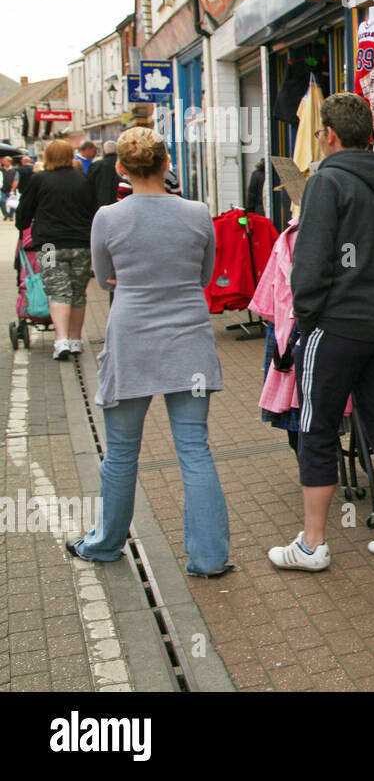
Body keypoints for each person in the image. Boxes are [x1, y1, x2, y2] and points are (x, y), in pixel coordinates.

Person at [268, 92, 374, 570]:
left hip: (335, 327)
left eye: (320, 132)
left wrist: (309, 315)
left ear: (331, 135)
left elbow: (310, 260)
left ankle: (312, 544)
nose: (319, 139)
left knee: (316, 427)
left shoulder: (326, 183)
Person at [66, 127, 232, 578]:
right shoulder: (198, 213)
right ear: (165, 164)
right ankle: (210, 557)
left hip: (131, 339)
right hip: (189, 340)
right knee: (194, 449)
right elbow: (204, 274)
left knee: (120, 452)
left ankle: (104, 544)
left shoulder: (108, 217)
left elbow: (103, 278)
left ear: (121, 168)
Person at [15, 139, 96, 360]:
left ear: (48, 156)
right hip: (81, 244)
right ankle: (76, 340)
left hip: (49, 244)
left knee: (56, 289)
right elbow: (94, 211)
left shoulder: (39, 180)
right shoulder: (83, 180)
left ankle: (61, 341)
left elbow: (24, 212)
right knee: (78, 293)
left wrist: (22, 225)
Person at [87, 138, 120, 209]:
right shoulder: (123, 165)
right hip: (121, 204)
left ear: (104, 151)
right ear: (117, 151)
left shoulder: (95, 166)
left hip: (100, 205)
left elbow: (89, 187)